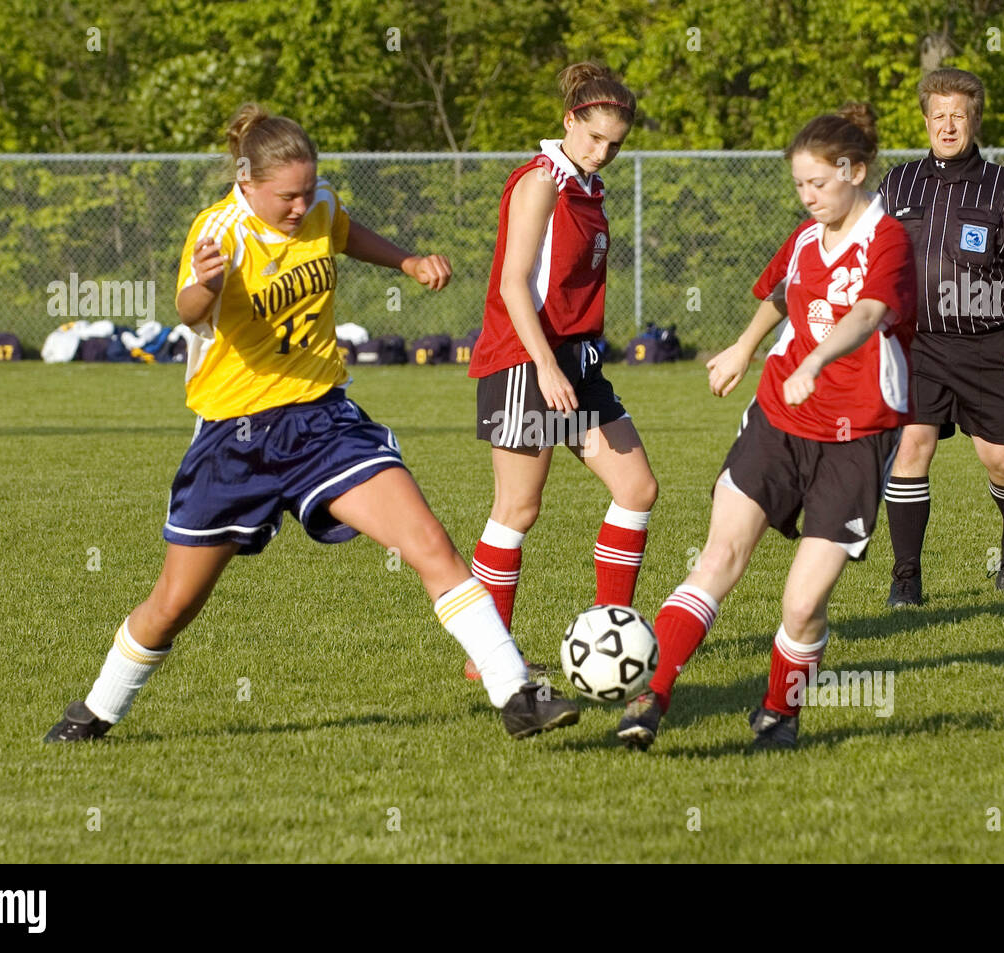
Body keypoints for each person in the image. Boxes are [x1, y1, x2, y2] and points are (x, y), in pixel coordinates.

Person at [45, 104, 579, 742]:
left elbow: (344, 231)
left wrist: (406, 261)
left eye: (307, 191)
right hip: (234, 438)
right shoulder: (221, 230)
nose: (301, 207)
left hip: (324, 421)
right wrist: (206, 287)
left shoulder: (319, 205)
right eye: (286, 197)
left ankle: (516, 692)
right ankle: (95, 711)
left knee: (428, 543)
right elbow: (188, 312)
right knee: (174, 605)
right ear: (247, 184)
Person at [614, 104, 916, 751]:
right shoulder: (807, 238)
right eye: (800, 185)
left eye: (820, 184)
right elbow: (780, 292)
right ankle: (651, 693)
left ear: (856, 172)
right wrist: (745, 346)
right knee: (719, 555)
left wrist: (816, 358)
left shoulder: (887, 238)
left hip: (857, 439)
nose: (808, 197)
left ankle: (780, 712)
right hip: (779, 419)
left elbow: (867, 312)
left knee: (802, 605)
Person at [464, 63, 657, 678]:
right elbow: (512, 283)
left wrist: (571, 363)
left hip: (577, 364)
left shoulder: (586, 187)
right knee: (518, 509)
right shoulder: (541, 182)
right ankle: (487, 654)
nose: (604, 152)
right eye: (595, 138)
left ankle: (613, 638)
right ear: (570, 120)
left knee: (637, 489)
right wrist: (546, 366)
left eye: (616, 144)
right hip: (526, 362)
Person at [877, 68, 1004, 605]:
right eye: (939, 116)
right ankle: (906, 580)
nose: (948, 126)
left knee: (1002, 460)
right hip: (917, 345)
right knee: (911, 449)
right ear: (926, 120)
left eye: (959, 115)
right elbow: (870, 255)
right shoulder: (898, 184)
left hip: (988, 346)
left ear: (974, 120)